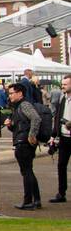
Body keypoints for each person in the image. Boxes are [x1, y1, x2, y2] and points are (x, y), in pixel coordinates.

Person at [4, 82, 42, 210]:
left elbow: (36, 118)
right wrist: (10, 125)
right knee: (28, 171)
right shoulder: (18, 106)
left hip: (24, 143)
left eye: (11, 93)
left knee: (26, 172)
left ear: (20, 93)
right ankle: (36, 200)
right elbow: (18, 128)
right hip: (22, 141)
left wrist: (32, 135)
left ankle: (28, 201)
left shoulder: (24, 104)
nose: (9, 96)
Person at [51, 75, 71, 203]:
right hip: (64, 138)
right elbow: (58, 117)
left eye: (65, 84)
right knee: (61, 165)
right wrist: (53, 135)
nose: (62, 86)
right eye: (62, 84)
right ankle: (61, 193)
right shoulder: (63, 99)